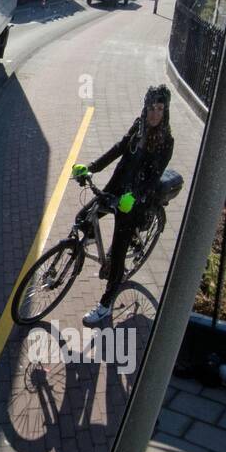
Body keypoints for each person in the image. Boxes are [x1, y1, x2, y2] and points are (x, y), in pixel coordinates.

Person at [71, 84, 175, 326]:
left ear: (166, 110)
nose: (154, 114)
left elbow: (153, 177)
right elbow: (118, 149)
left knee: (118, 254)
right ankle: (88, 239)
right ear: (145, 107)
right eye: (151, 107)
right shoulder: (138, 127)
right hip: (116, 187)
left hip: (135, 202)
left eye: (160, 109)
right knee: (83, 218)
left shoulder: (167, 142)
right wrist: (91, 167)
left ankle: (106, 305)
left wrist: (136, 197)